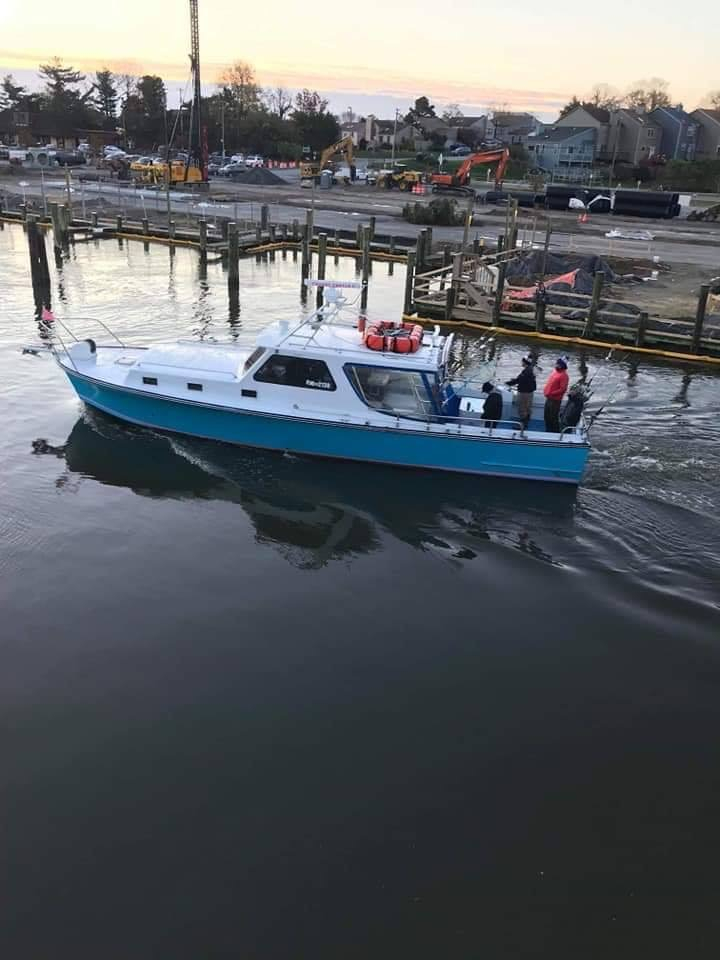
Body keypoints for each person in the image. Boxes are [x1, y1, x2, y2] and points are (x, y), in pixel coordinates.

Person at [505, 356, 536, 429]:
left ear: (525, 363)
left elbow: (519, 380)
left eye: (522, 361)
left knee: (522, 409)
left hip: (524, 393)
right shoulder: (531, 370)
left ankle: (522, 426)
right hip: (530, 392)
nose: (521, 363)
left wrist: (508, 383)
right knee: (528, 408)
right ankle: (526, 423)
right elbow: (522, 379)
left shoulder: (526, 371)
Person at [543, 358, 569, 432]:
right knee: (546, 416)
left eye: (558, 364)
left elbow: (563, 389)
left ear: (562, 365)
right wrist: (546, 390)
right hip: (548, 398)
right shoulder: (554, 372)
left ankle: (555, 432)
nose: (556, 365)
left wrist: (552, 393)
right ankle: (548, 430)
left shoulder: (564, 375)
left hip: (555, 400)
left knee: (553, 417)